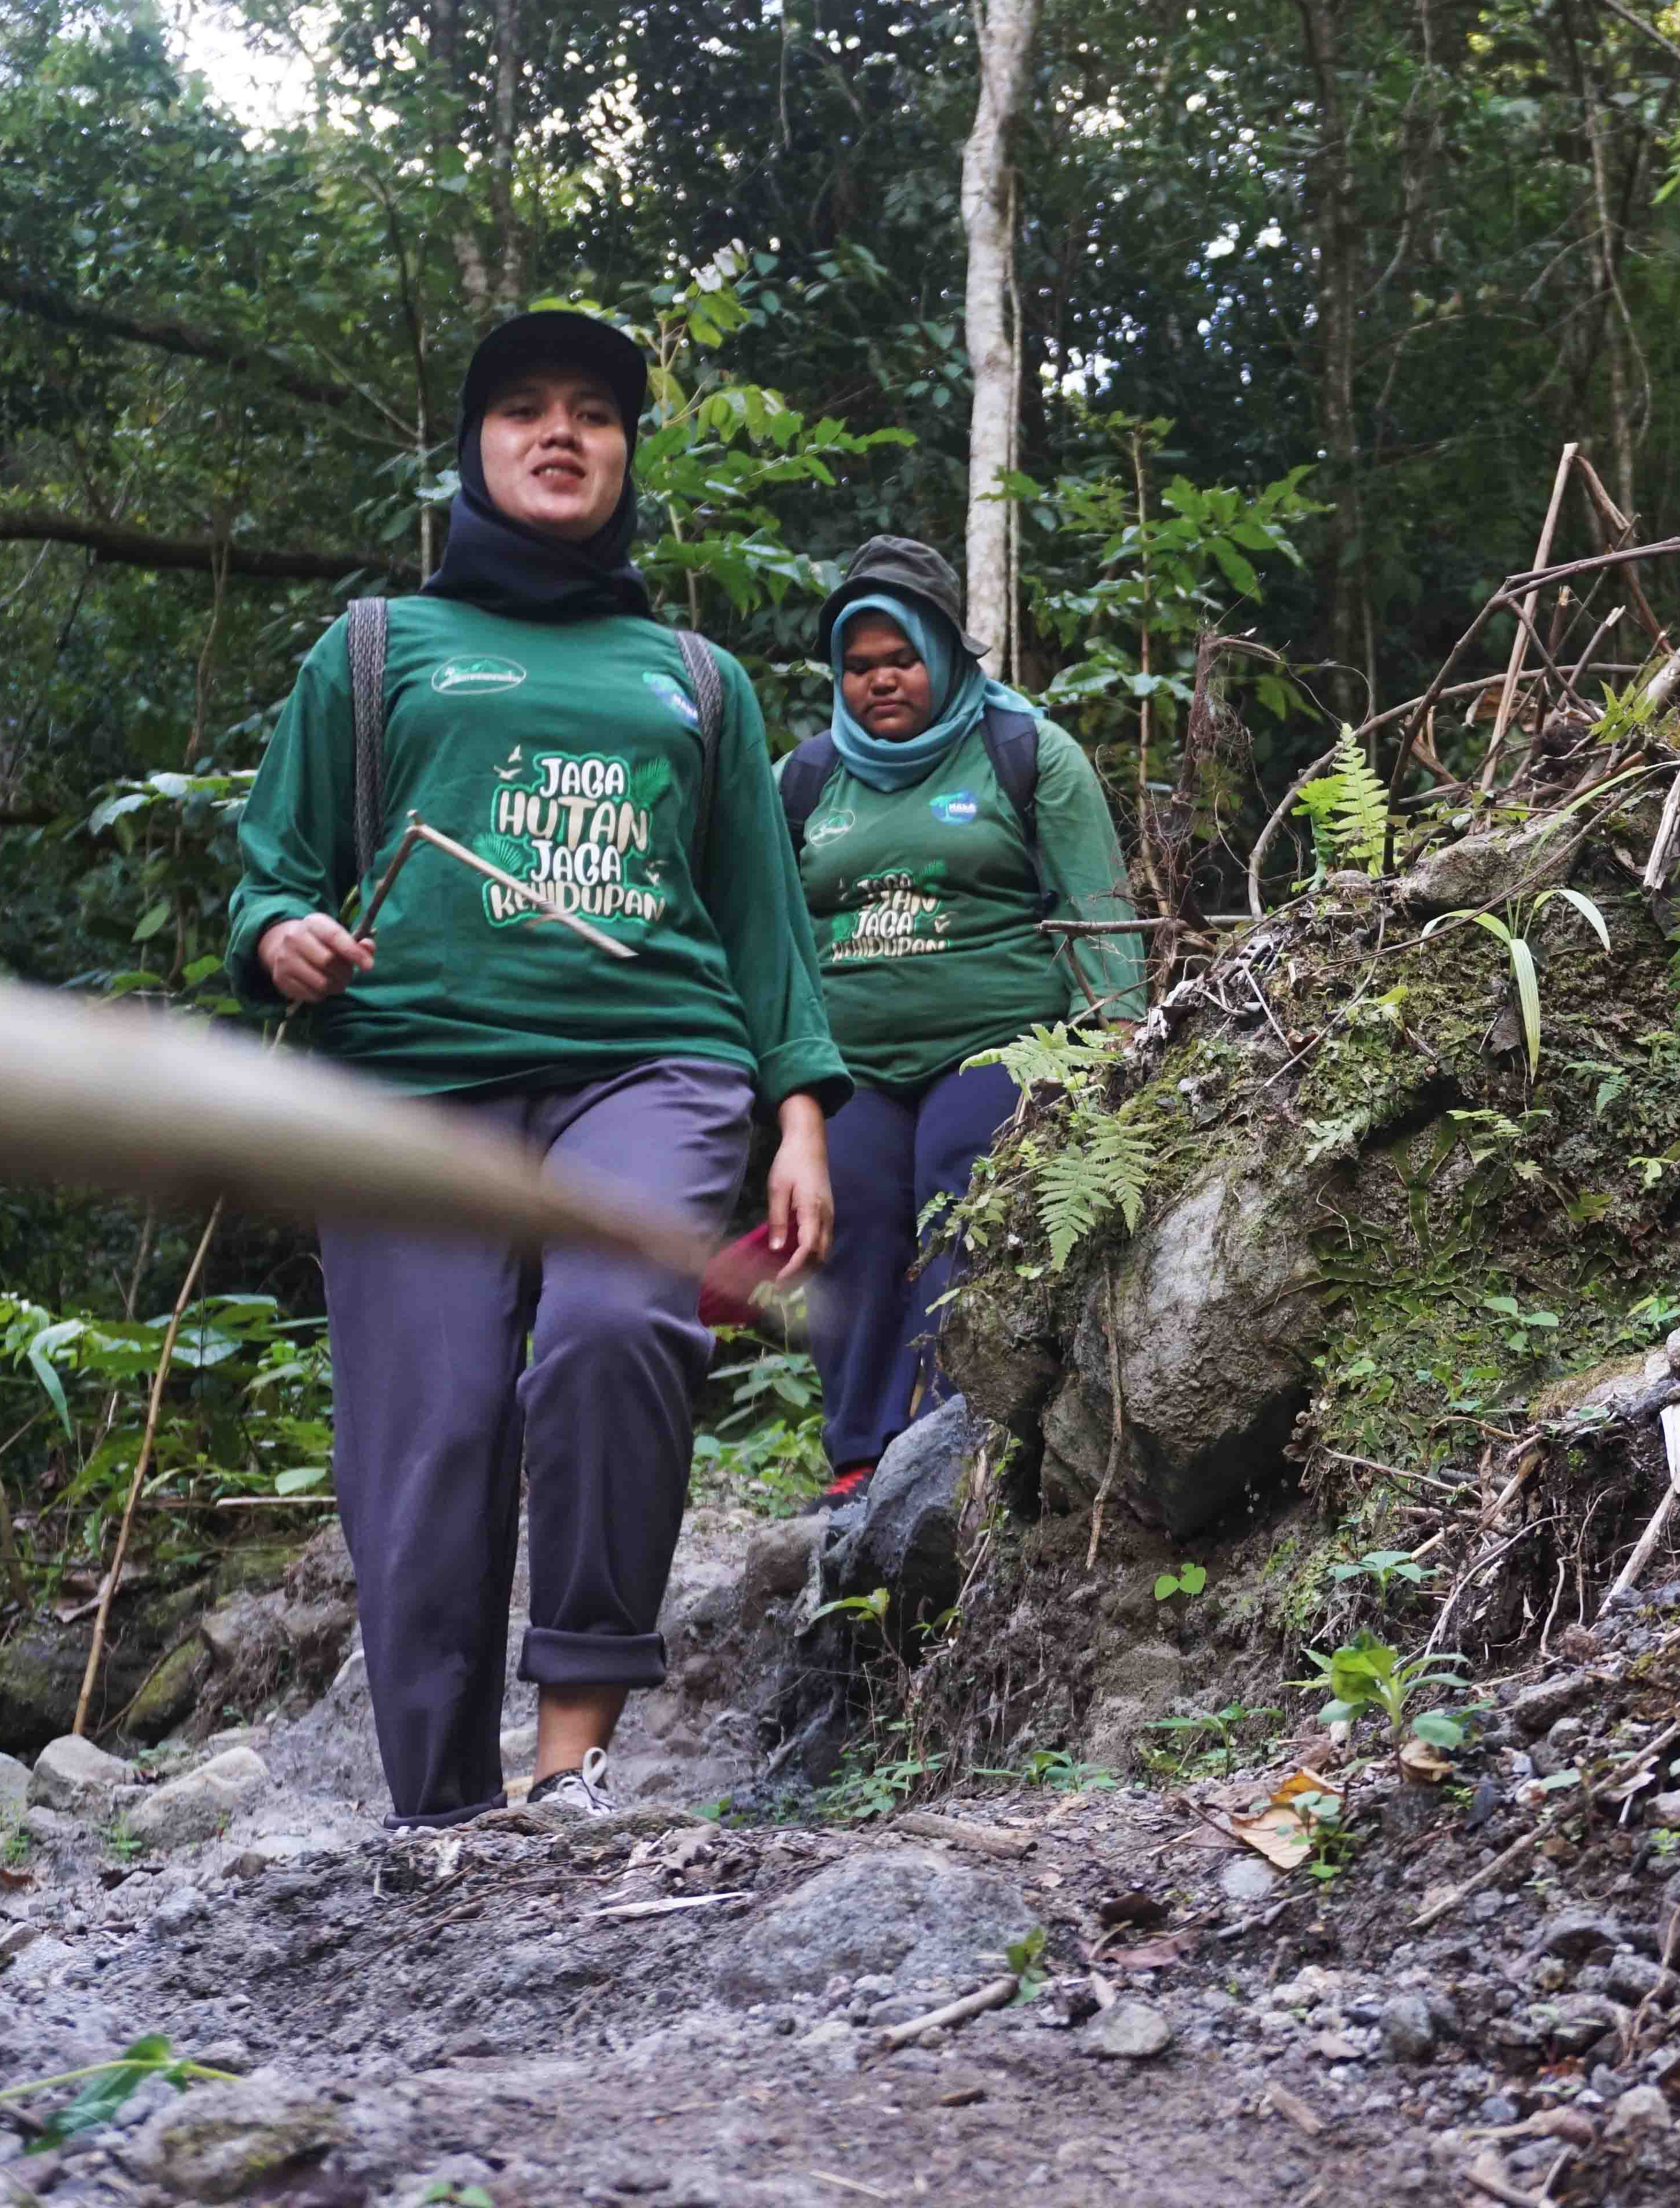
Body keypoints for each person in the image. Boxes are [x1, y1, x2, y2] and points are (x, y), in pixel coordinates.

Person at [224, 308, 847, 1829]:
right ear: (473, 449)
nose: (559, 431)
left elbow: (764, 928)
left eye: (592, 412)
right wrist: (282, 937)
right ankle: (443, 1809)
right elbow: (269, 877)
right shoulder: (375, 651)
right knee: (426, 1431)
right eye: (521, 408)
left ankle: (572, 1763)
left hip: (651, 1064)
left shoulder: (697, 679)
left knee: (616, 1330)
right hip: (407, 1083)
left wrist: (804, 1120)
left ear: (628, 456)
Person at [778, 537, 1142, 1503]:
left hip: (997, 1040)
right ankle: (860, 1457)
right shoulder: (806, 781)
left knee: (956, 1184)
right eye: (858, 667)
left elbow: (1098, 910)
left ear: (943, 655)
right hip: (850, 1061)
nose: (879, 681)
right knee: (850, 1213)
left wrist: (1113, 1049)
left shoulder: (1026, 752)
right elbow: (772, 938)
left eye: (899, 659)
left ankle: (949, 1444)